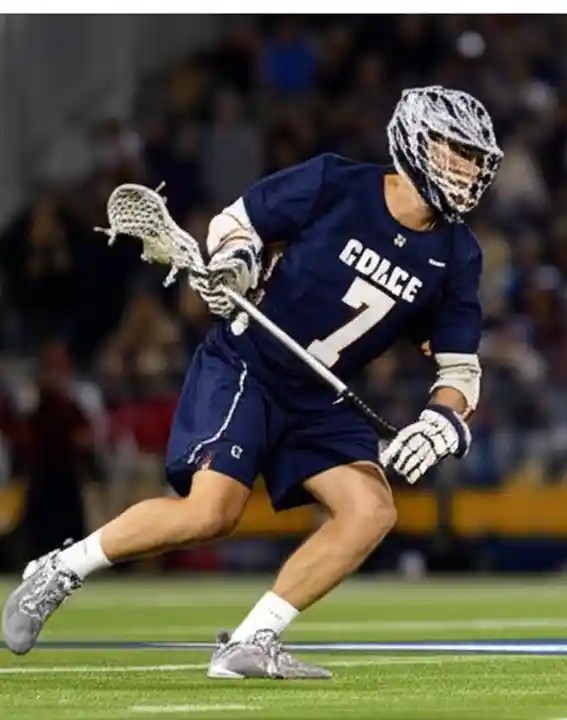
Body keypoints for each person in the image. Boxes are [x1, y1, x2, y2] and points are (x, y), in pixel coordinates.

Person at [3, 86, 503, 680]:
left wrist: (440, 423)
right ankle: (58, 570)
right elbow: (238, 223)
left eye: (475, 159)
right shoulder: (336, 183)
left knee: (371, 510)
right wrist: (237, 264)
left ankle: (252, 640)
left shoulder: (458, 254)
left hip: (322, 390)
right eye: (457, 152)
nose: (468, 170)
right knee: (211, 513)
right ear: (413, 142)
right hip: (251, 362)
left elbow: (459, 371)